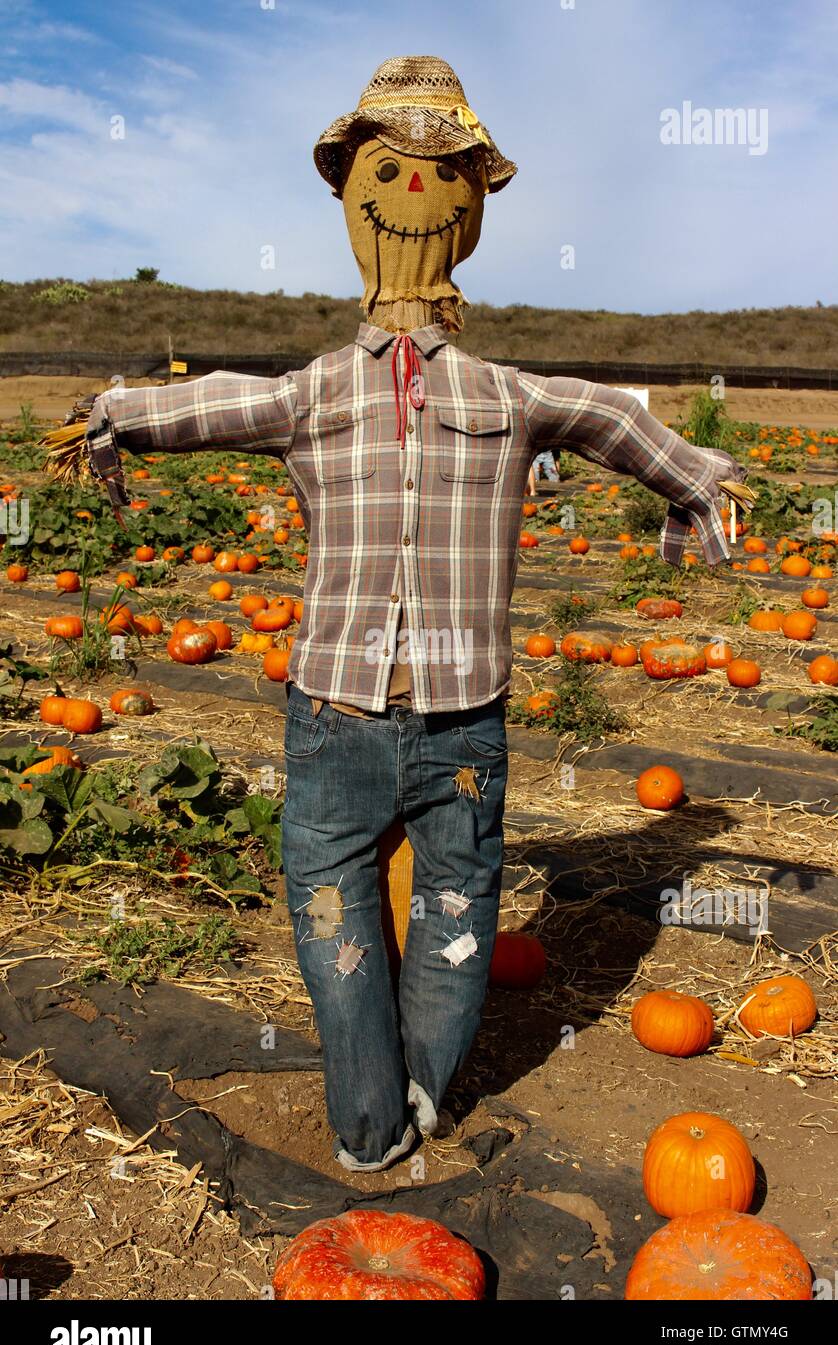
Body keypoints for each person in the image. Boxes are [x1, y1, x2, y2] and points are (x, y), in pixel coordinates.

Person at [56, 56, 747, 1172]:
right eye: (398, 173)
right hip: (456, 718)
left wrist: (110, 417)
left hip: (340, 713)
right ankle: (412, 1096)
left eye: (432, 177)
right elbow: (614, 422)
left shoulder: (323, 388)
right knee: (458, 909)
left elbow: (214, 402)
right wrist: (700, 484)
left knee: (334, 909)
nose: (416, 198)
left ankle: (371, 1119)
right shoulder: (502, 395)